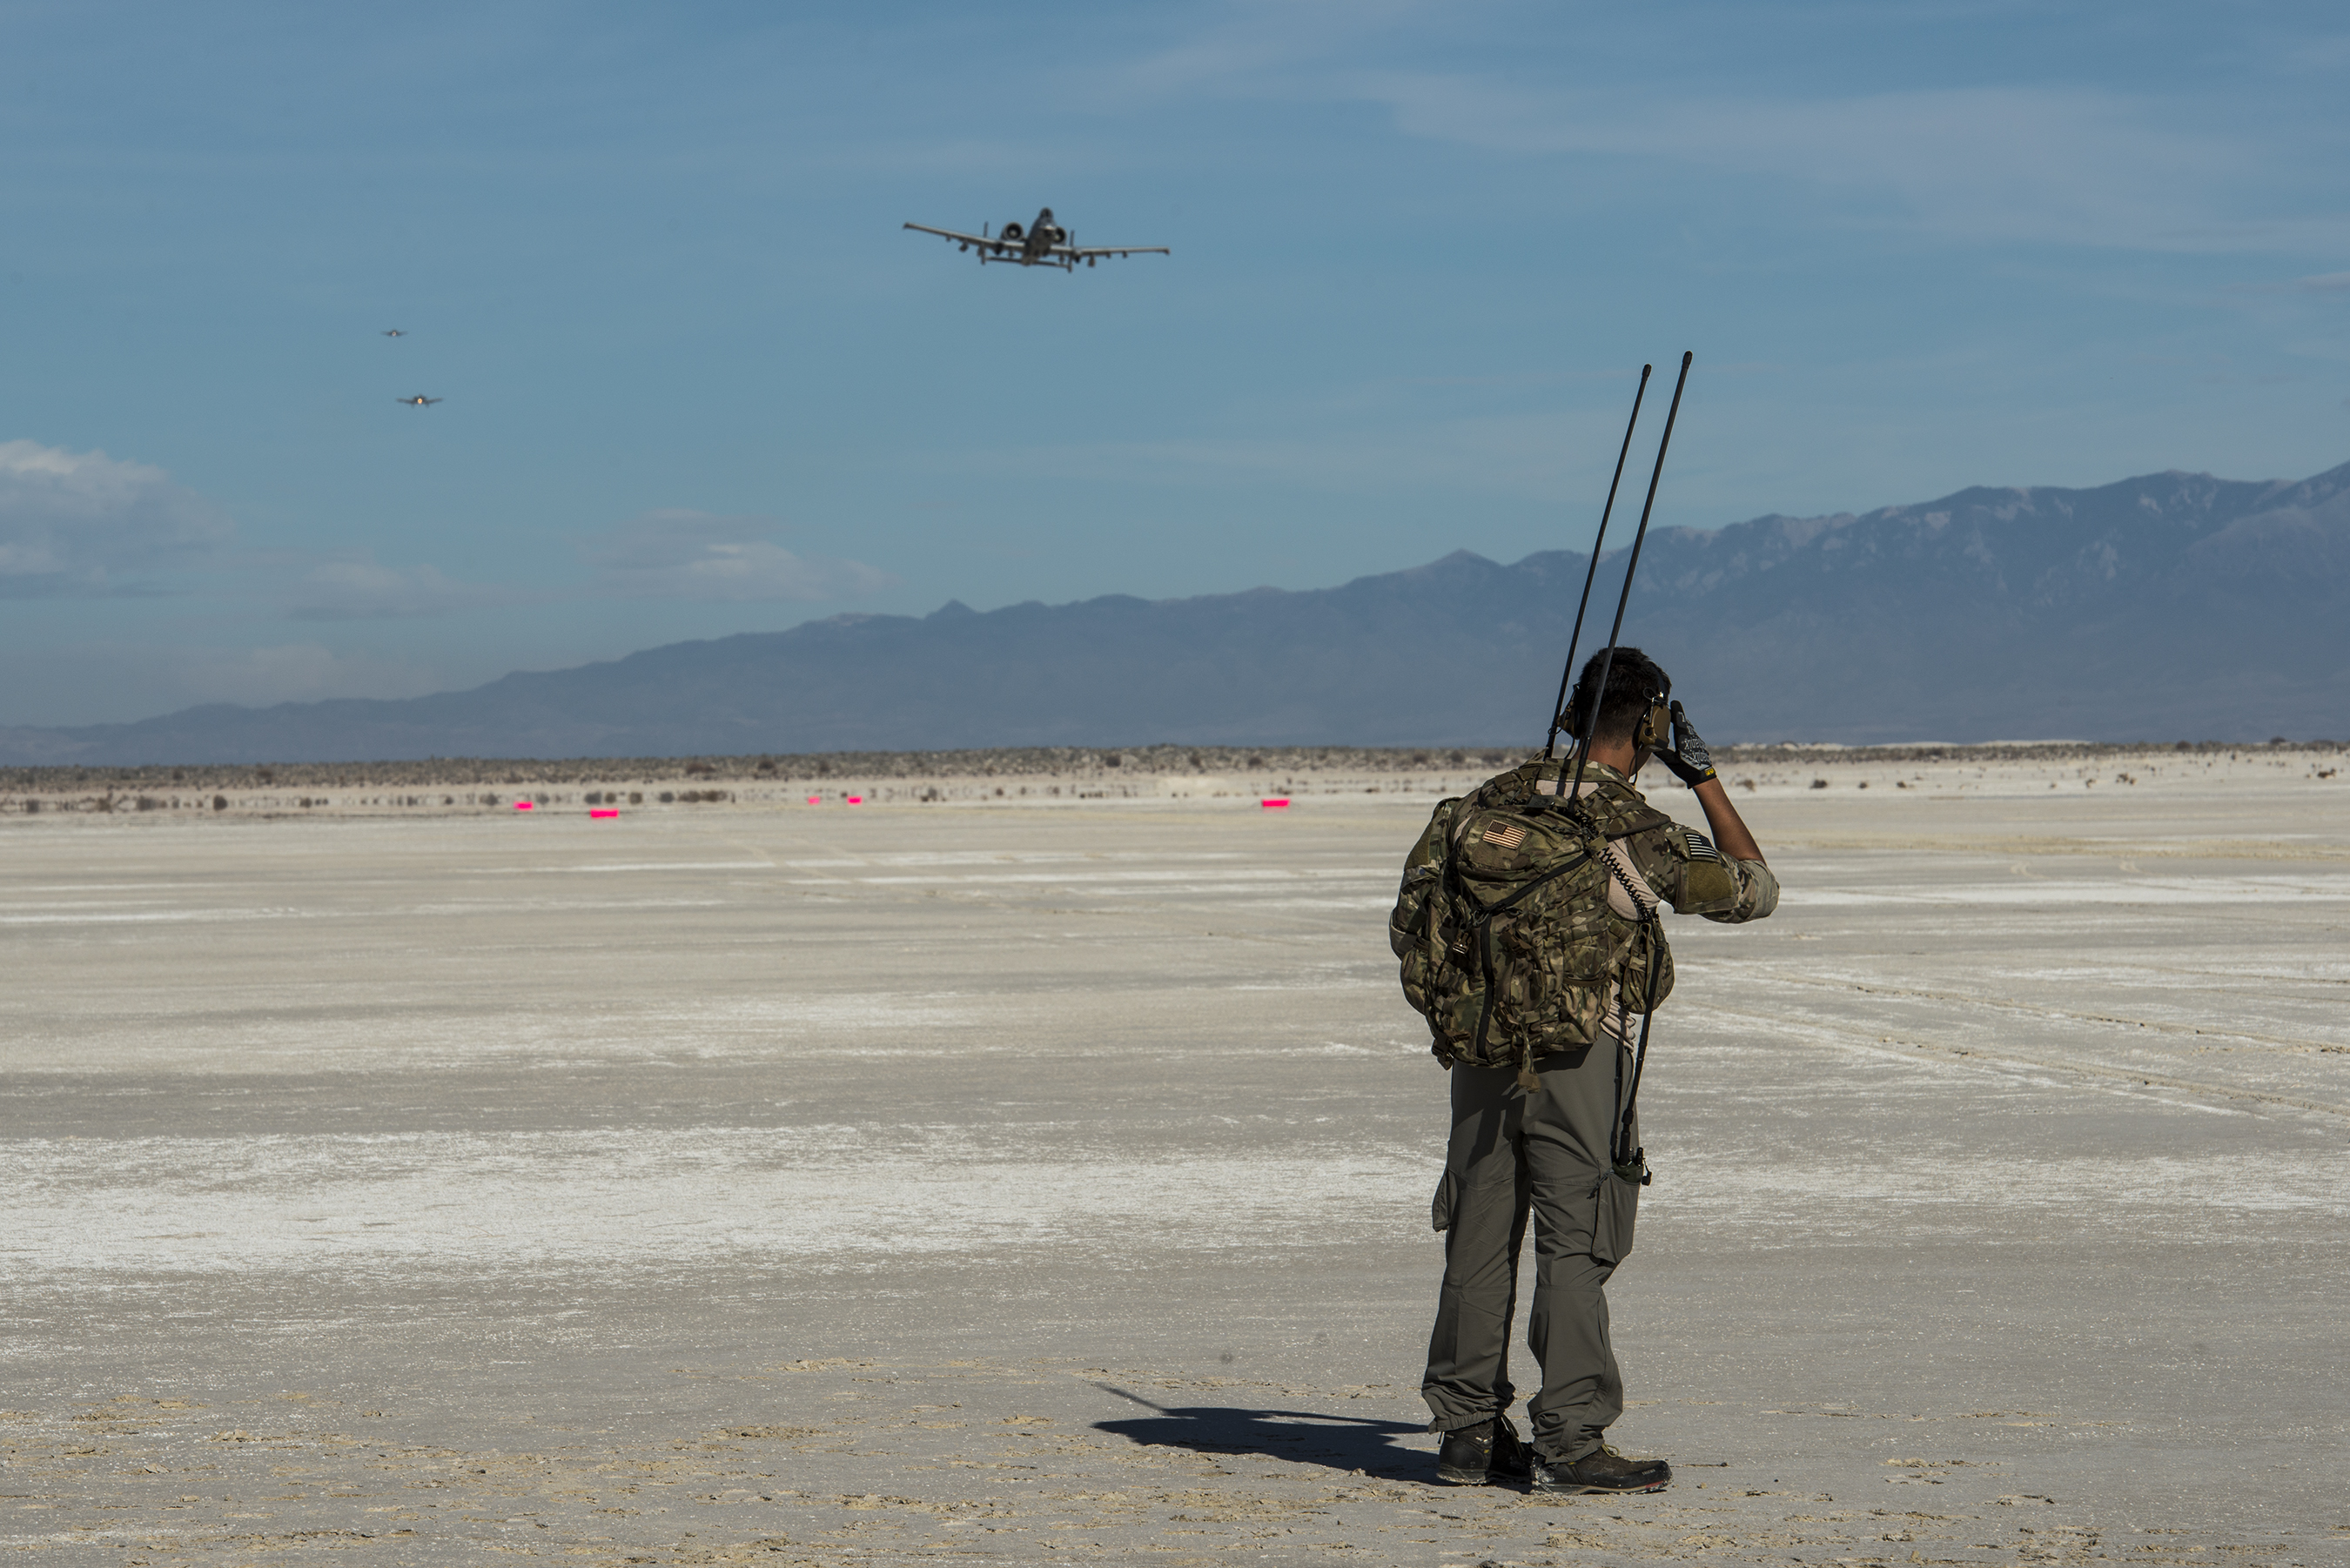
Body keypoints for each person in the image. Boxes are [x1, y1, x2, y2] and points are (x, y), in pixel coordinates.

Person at [1400, 647, 1777, 1495]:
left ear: (1572, 714)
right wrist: (1704, 776)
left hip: (1483, 1049)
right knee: (1575, 1238)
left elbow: (1418, 914)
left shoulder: (1480, 807)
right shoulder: (1632, 826)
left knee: (1478, 1233)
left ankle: (1465, 1432)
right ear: (1649, 728)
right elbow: (1755, 887)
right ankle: (1571, 1436)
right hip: (1580, 1050)